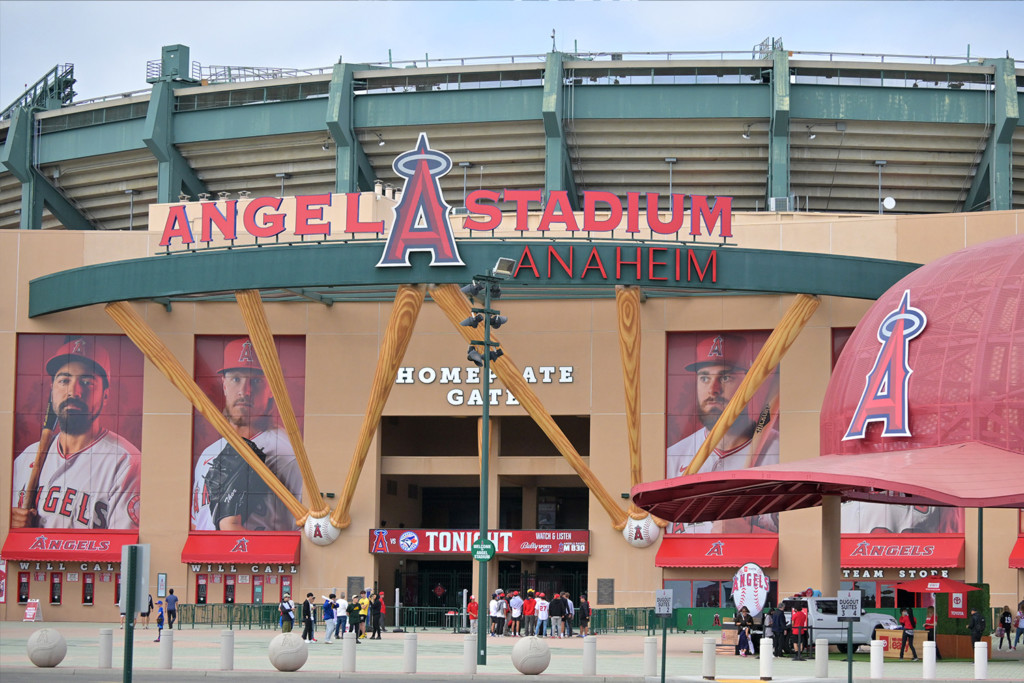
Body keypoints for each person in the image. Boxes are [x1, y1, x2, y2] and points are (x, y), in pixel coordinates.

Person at [11, 338, 142, 529]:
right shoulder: (26, 459)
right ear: (52, 390)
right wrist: (10, 529)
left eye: (87, 382)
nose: (74, 391)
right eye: (64, 380)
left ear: (106, 394)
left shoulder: (126, 462)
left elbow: (124, 551)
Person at [666, 334, 779, 533]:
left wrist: (750, 533)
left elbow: (802, 537)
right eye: (704, 378)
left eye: (725, 377)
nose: (713, 389)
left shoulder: (780, 452)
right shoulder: (673, 457)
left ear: (749, 384)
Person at [191, 337, 303, 531]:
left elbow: (303, 531)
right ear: (224, 385)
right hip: (205, 559)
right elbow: (196, 523)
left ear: (272, 388)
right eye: (236, 379)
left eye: (256, 381)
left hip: (258, 560)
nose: (245, 391)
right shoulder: (208, 454)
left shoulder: (288, 453)